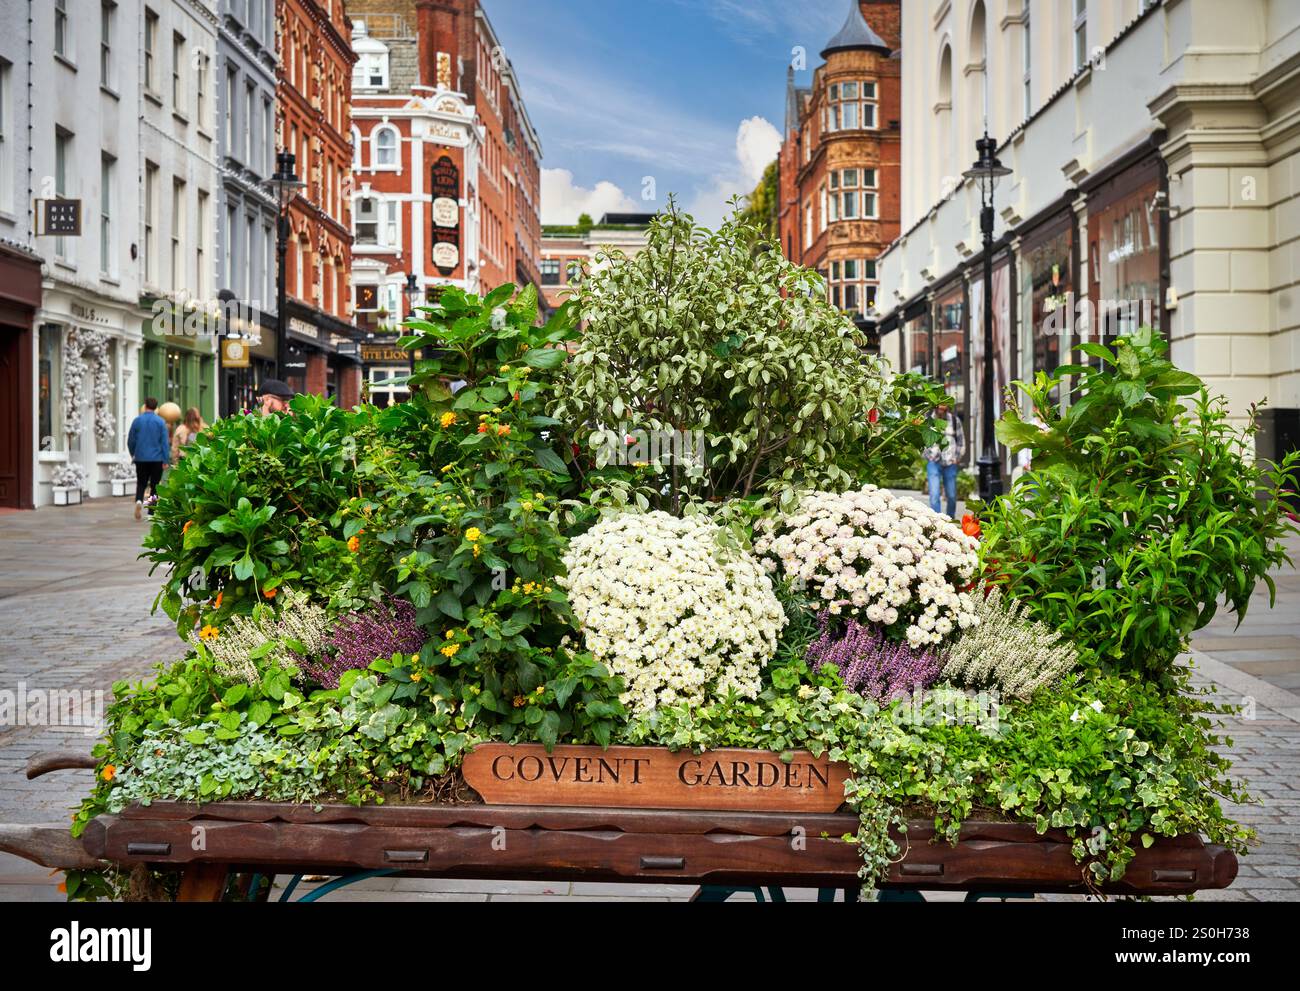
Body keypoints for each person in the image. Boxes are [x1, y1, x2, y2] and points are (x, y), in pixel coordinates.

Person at [127, 397, 171, 521]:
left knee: (141, 482)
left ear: (145, 406)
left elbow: (131, 440)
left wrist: (133, 453)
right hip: (156, 459)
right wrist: (166, 460)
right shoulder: (160, 422)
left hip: (141, 458)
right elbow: (164, 443)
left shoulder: (137, 421)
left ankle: (139, 500)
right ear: (156, 408)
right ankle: (151, 511)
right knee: (155, 485)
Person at [925, 399, 966, 519]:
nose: (941, 410)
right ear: (935, 406)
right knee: (934, 494)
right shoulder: (928, 421)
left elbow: (961, 441)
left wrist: (957, 457)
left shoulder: (954, 421)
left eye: (944, 407)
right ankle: (937, 521)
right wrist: (928, 455)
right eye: (939, 407)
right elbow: (922, 441)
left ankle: (950, 520)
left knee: (952, 495)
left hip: (950, 462)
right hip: (934, 461)